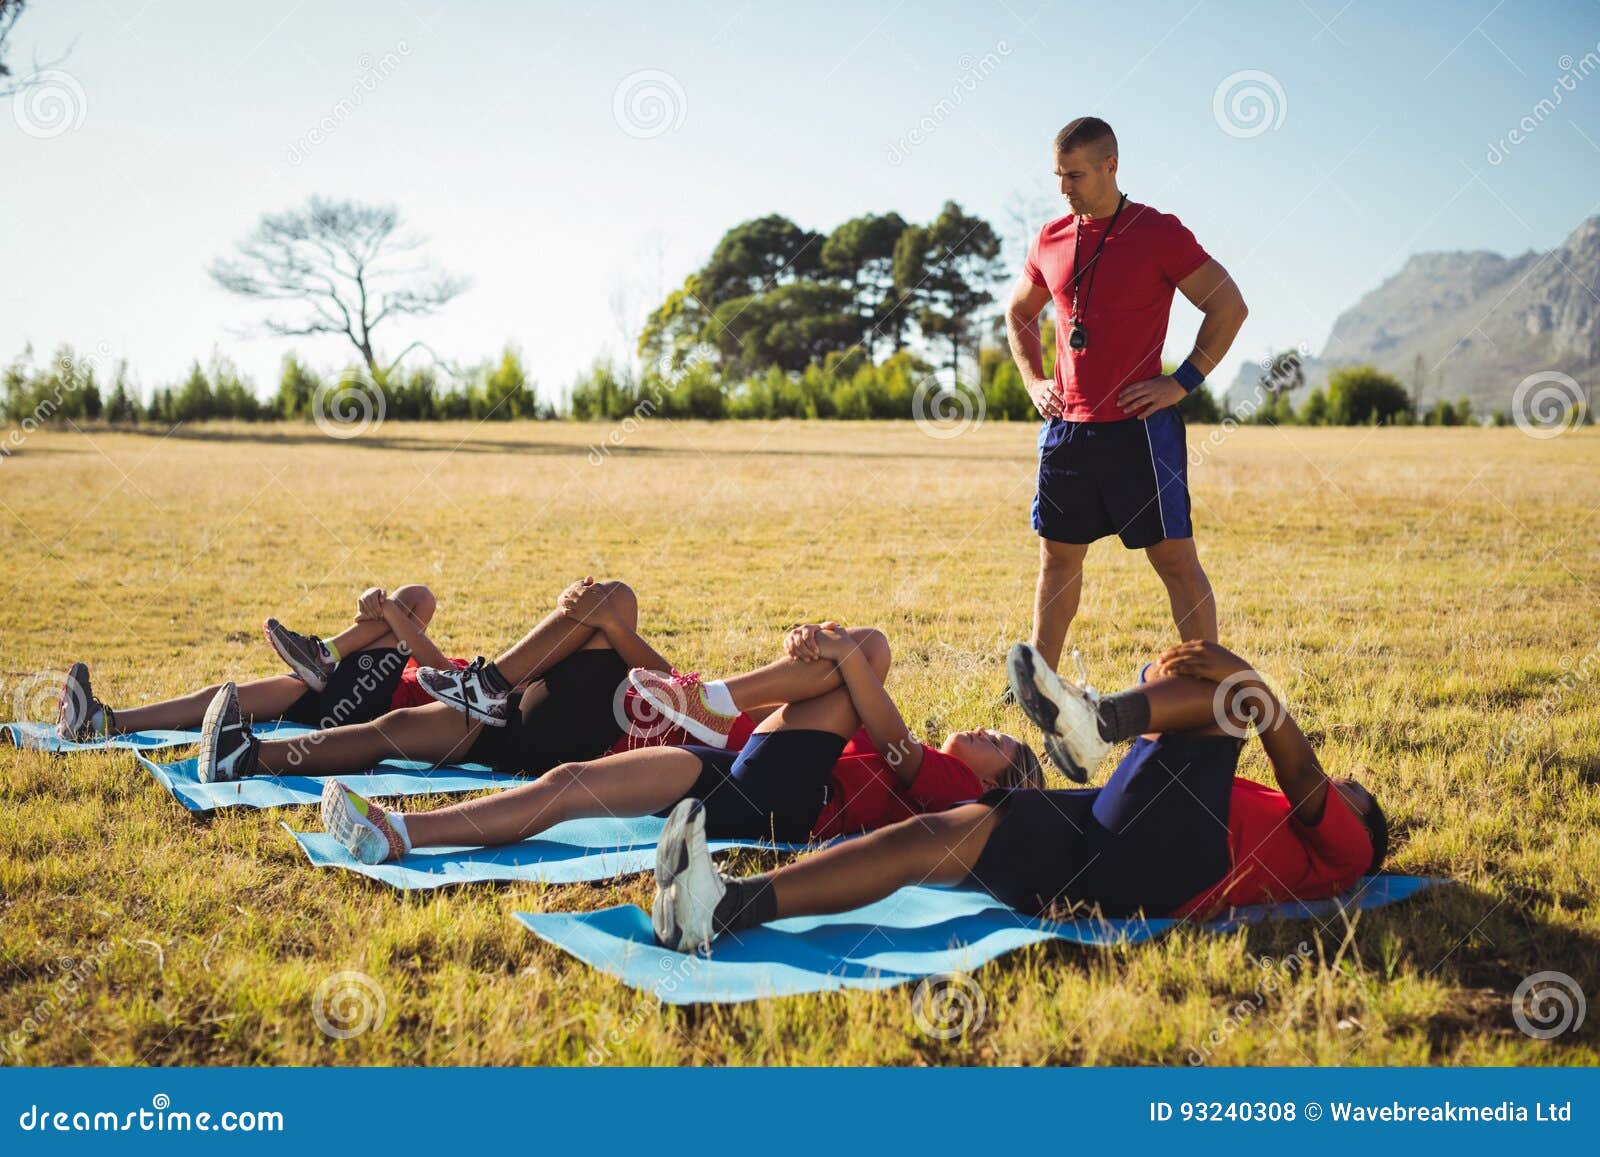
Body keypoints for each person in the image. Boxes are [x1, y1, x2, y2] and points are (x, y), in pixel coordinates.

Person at [650, 640, 1389, 953]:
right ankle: (724, 906)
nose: (1335, 786)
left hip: (1170, 874)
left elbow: (1296, 765)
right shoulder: (1249, 799)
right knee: (926, 840)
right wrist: (1216, 673)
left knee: (1231, 704)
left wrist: (1256, 691)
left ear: (1361, 821)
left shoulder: (1347, 855)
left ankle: (1102, 720)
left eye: (1350, 790)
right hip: (1099, 830)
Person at [317, 622, 1043, 865]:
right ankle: (402, 832)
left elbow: (898, 748)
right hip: (752, 776)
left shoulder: (967, 794)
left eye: (1003, 744)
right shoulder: (955, 771)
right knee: (571, 782)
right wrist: (818, 652)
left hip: (790, 800)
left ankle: (714, 695)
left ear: (1004, 780)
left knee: (871, 649)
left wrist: (844, 657)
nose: (990, 730)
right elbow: (863, 717)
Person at [1005, 116, 1249, 676]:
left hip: (1139, 429)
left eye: (1076, 175)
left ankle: (1209, 683)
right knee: (1057, 560)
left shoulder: (1157, 232)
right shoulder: (1050, 238)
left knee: (1175, 562)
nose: (1064, 188)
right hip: (1068, 430)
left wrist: (1182, 381)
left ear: (1111, 166)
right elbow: (1019, 312)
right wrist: (1035, 382)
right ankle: (1041, 683)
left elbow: (1228, 305)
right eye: (1058, 176)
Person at [191, 578, 701, 783]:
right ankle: (245, 756)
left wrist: (610, 621)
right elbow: (667, 683)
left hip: (569, 731)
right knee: (387, 732)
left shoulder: (720, 727)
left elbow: (667, 689)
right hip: (511, 713)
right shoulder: (727, 710)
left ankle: (489, 683)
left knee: (618, 601)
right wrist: (589, 613)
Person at [53, 584, 458, 742]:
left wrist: (384, 608)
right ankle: (100, 722)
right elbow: (399, 637)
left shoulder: (480, 689)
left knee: (418, 598)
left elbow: (437, 667)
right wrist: (377, 606)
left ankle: (323, 654)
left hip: (364, 705)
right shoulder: (478, 673)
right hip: (342, 691)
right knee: (220, 698)